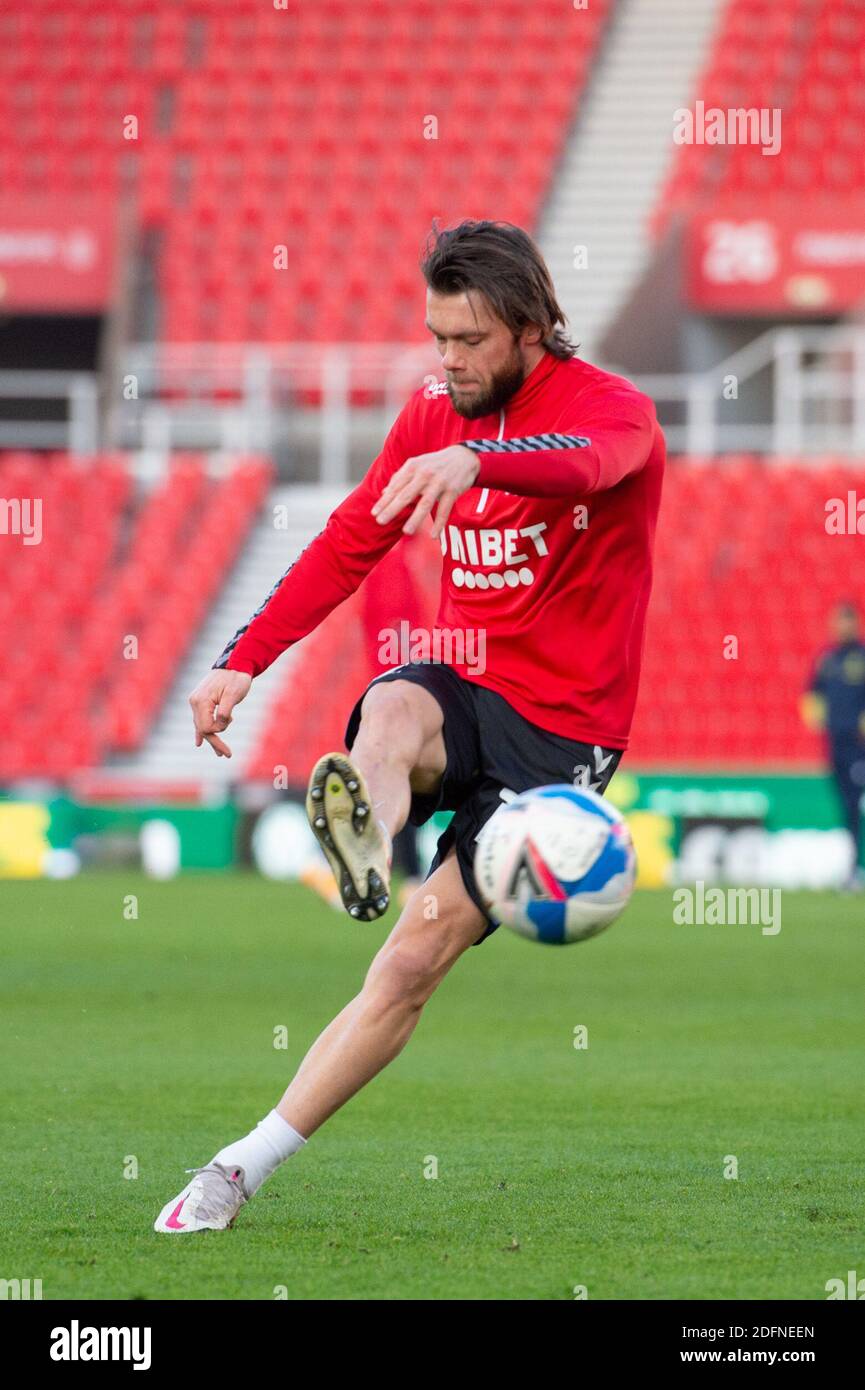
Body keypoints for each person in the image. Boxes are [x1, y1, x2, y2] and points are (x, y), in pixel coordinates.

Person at [154, 219, 665, 1233]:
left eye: (468, 341)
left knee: (409, 966)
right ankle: (369, 850)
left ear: (529, 329)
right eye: (437, 338)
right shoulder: (433, 411)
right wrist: (240, 661)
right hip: (462, 685)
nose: (447, 360)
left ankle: (239, 1166)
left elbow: (585, 465)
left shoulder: (614, 411)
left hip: (561, 737)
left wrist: (485, 465)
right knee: (392, 700)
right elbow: (352, 538)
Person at [801, 601, 865, 890]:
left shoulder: (862, 657)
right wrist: (817, 716)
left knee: (857, 805)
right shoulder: (827, 660)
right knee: (847, 806)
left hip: (858, 745)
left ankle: (857, 867)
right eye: (837, 622)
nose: (841, 628)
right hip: (836, 745)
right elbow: (812, 693)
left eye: (846, 622)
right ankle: (853, 868)